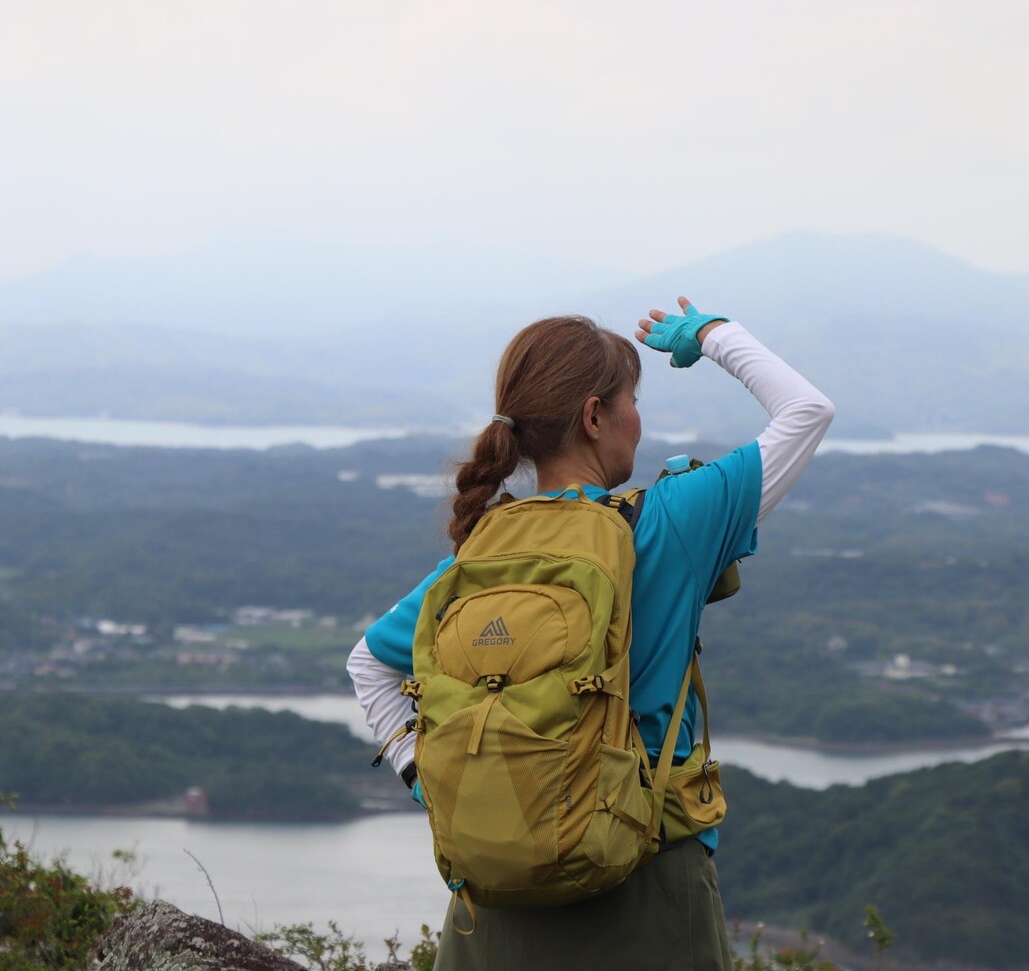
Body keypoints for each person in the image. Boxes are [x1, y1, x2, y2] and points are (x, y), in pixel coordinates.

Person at [348, 298, 834, 970]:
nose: (639, 418)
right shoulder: (669, 521)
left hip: (492, 913)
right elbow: (807, 412)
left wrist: (428, 779)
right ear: (594, 416)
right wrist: (713, 336)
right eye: (631, 399)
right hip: (648, 892)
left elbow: (367, 663)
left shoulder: (482, 554)